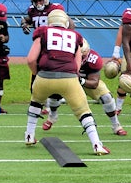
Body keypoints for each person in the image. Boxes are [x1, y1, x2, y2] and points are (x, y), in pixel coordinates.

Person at [24, 10, 110, 155]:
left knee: (36, 102)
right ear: (65, 22)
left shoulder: (43, 32)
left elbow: (31, 59)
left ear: (50, 21)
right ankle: (97, 144)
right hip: (69, 78)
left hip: (44, 77)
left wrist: (37, 73)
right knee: (83, 111)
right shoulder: (76, 36)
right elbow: (77, 66)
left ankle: (29, 135)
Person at [39, 38, 128, 137]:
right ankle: (52, 116)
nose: (81, 58)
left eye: (83, 55)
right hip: (68, 81)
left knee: (107, 97)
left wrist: (81, 81)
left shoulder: (93, 59)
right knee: (54, 91)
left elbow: (94, 83)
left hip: (86, 82)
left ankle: (116, 125)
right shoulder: (64, 57)